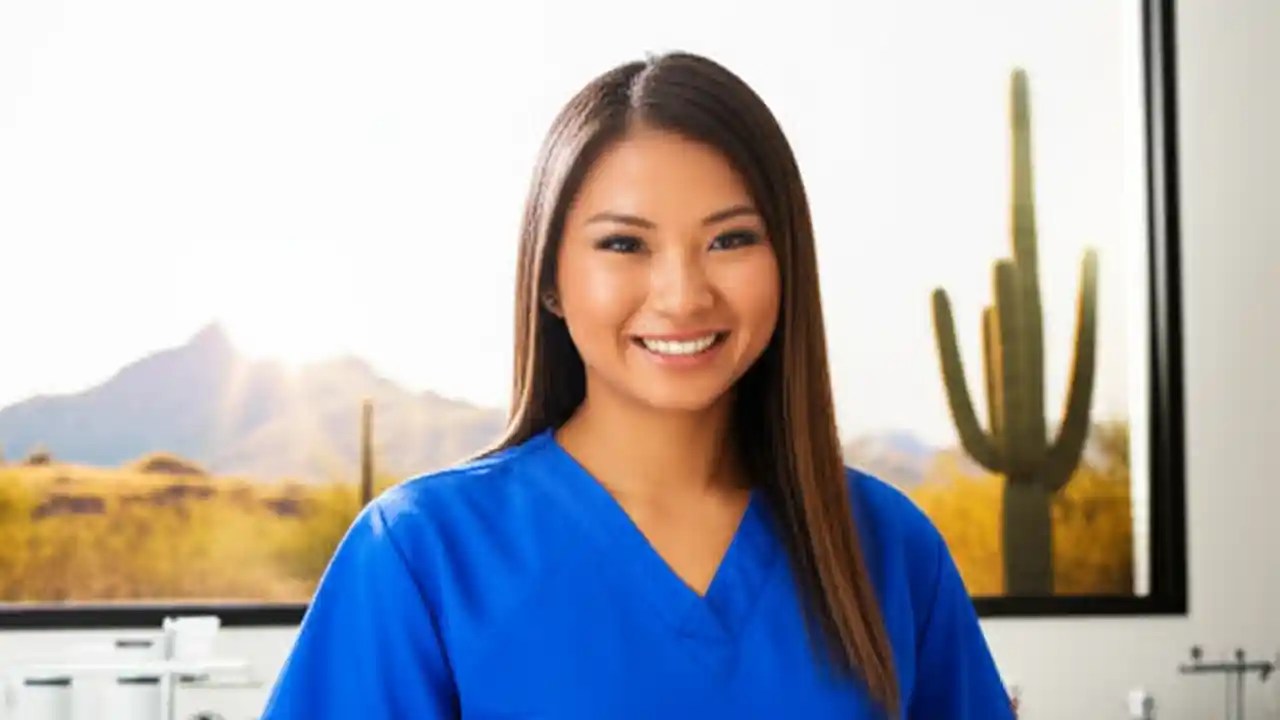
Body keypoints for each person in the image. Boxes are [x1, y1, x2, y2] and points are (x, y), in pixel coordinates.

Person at [260, 51, 1014, 719]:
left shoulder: (890, 547)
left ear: (787, 265)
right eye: (624, 243)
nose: (683, 295)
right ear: (550, 280)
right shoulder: (423, 554)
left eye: (731, 239)